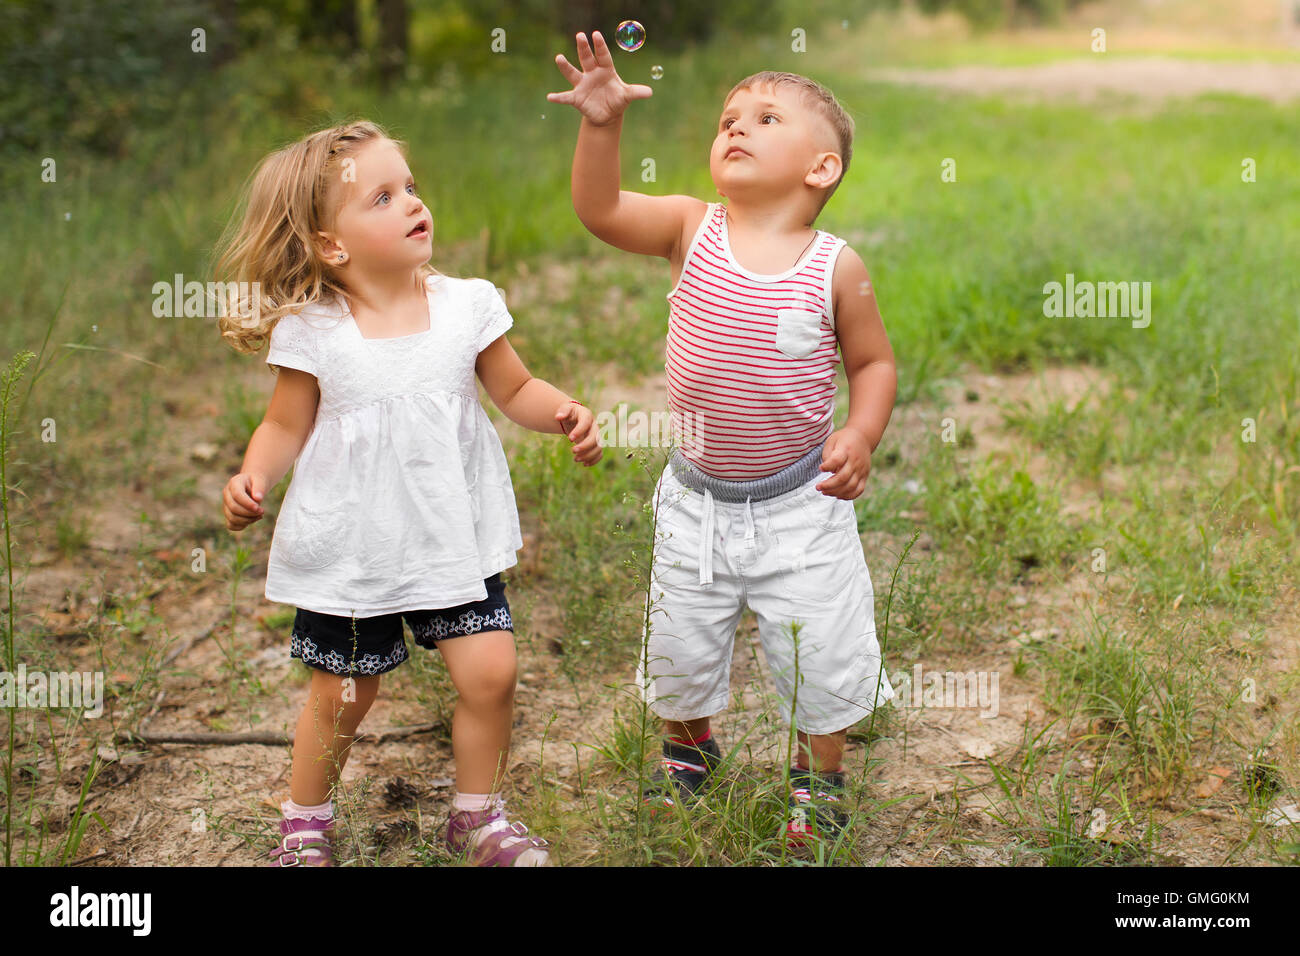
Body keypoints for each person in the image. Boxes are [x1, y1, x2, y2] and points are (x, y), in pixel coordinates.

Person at [215, 120, 601, 866]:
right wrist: (255, 473)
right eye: (384, 197)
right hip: (355, 548)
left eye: (412, 187)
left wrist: (561, 412)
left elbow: (515, 387)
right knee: (346, 697)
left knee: (492, 673)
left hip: (449, 537)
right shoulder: (315, 330)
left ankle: (476, 816)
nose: (414, 204)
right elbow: (284, 424)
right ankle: (305, 824)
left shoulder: (467, 306)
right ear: (333, 245)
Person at [549, 33, 896, 846]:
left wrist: (861, 428)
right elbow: (599, 210)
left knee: (821, 646)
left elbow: (873, 361)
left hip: (798, 505)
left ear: (821, 169)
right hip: (696, 500)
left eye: (765, 118)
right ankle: (688, 753)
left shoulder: (835, 267)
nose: (735, 127)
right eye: (727, 118)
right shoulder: (687, 227)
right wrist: (600, 126)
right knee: (679, 643)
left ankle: (820, 776)